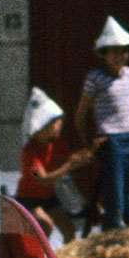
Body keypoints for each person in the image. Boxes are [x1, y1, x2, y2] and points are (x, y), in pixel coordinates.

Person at [75, 17, 129, 230]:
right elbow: (81, 113)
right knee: (116, 199)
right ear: (104, 54)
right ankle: (114, 236)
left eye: (123, 51)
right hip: (110, 139)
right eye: (113, 51)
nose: (118, 56)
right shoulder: (95, 77)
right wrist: (88, 144)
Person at [15, 88, 93, 239]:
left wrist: (87, 155)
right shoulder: (30, 151)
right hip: (28, 200)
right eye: (55, 123)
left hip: (49, 197)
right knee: (45, 225)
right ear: (43, 125)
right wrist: (69, 165)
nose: (59, 126)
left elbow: (70, 160)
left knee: (69, 230)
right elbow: (43, 179)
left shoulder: (58, 145)